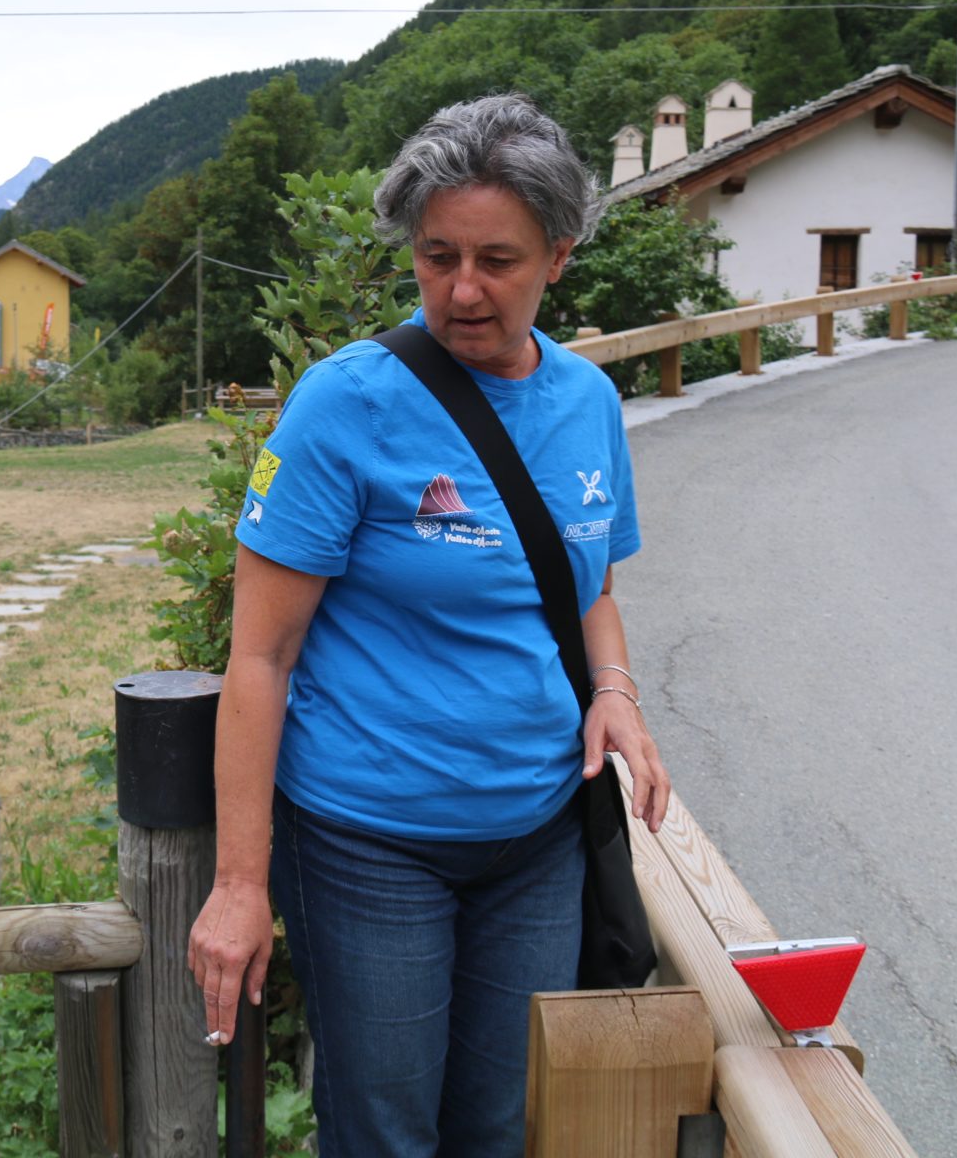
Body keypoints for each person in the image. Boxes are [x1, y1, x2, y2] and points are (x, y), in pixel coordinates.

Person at [186, 95, 671, 1156]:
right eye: (436, 254)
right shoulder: (345, 403)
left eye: (497, 259)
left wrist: (618, 694)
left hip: (538, 835)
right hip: (370, 844)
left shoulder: (588, 400)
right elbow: (259, 656)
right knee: (383, 1129)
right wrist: (238, 883)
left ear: (560, 254)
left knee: (497, 1124)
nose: (462, 288)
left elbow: (589, 584)